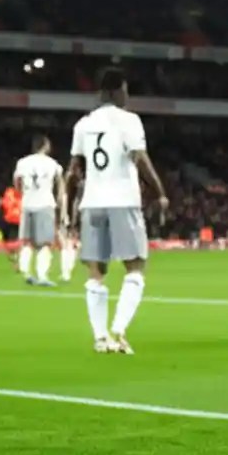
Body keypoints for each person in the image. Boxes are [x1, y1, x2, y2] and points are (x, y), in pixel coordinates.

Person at [64, 68, 169, 355]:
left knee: (96, 272)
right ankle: (119, 331)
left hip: (92, 203)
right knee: (135, 266)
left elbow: (73, 172)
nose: (127, 95)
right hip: (123, 200)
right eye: (125, 90)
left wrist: (68, 210)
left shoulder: (83, 124)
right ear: (115, 91)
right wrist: (159, 192)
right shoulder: (129, 121)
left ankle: (100, 338)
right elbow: (140, 158)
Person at [13, 134, 64, 287]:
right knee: (45, 243)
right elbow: (60, 185)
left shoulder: (23, 162)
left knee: (27, 241)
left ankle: (26, 272)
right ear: (45, 146)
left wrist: (23, 193)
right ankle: (42, 275)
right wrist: (60, 203)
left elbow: (16, 181)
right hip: (45, 204)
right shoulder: (53, 163)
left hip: (27, 204)